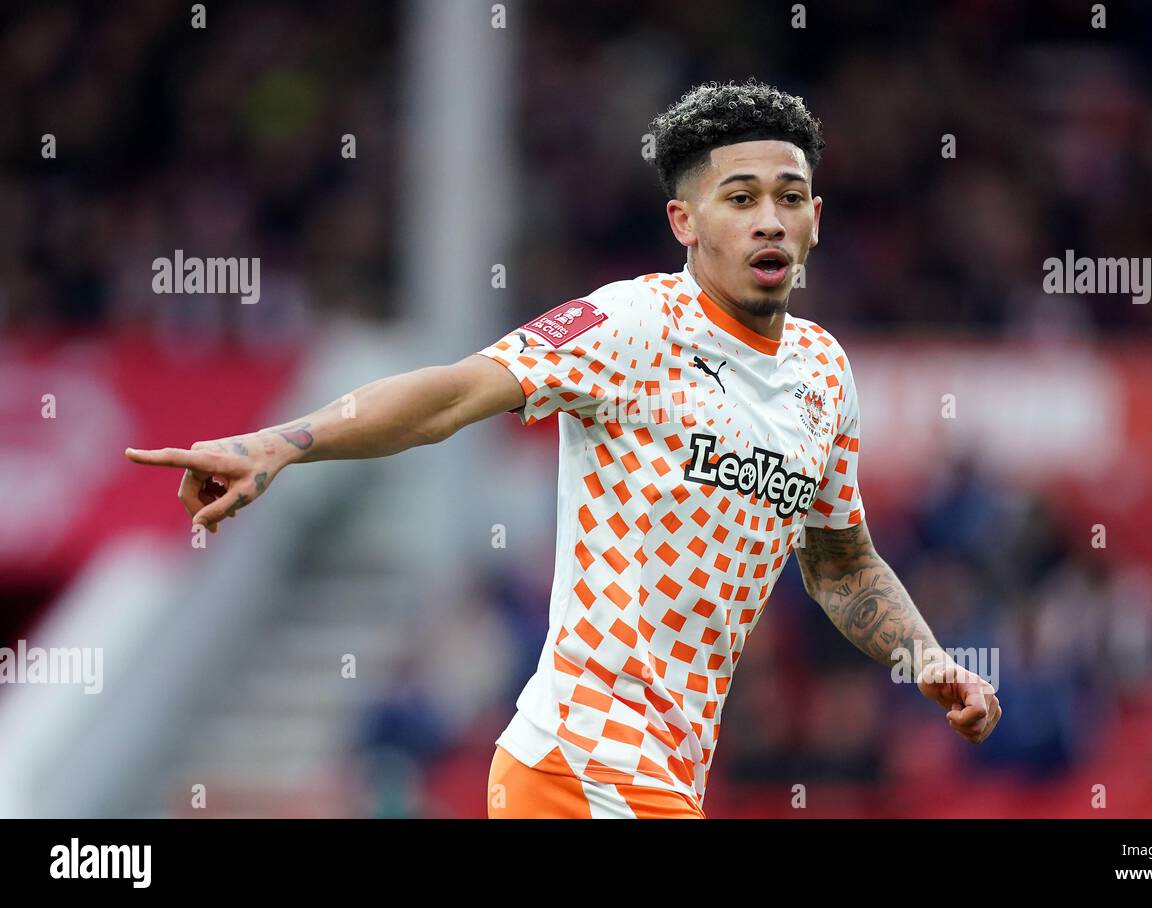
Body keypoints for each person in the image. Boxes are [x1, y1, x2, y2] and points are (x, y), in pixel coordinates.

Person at [126, 79, 1000, 819]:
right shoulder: (632, 325)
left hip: (667, 772)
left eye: (790, 196)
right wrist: (284, 442)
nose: (770, 220)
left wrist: (925, 658)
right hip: (581, 759)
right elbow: (454, 393)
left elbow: (841, 565)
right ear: (685, 221)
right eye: (740, 199)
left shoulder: (824, 374)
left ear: (816, 218)